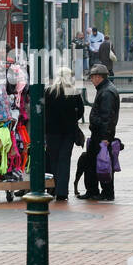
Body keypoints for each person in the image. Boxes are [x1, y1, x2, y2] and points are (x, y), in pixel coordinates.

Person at [44, 67, 84, 203]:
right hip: (68, 132)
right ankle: (62, 192)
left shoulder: (49, 92)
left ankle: (53, 188)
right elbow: (81, 111)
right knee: (64, 161)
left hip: (51, 132)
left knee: (53, 160)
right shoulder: (73, 92)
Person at [81, 63, 119, 201]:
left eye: (92, 77)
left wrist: (105, 137)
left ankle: (104, 192)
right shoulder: (104, 89)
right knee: (97, 163)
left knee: (101, 163)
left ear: (98, 77)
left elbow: (107, 117)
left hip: (101, 135)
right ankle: (95, 191)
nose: (91, 80)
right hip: (100, 134)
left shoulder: (106, 92)